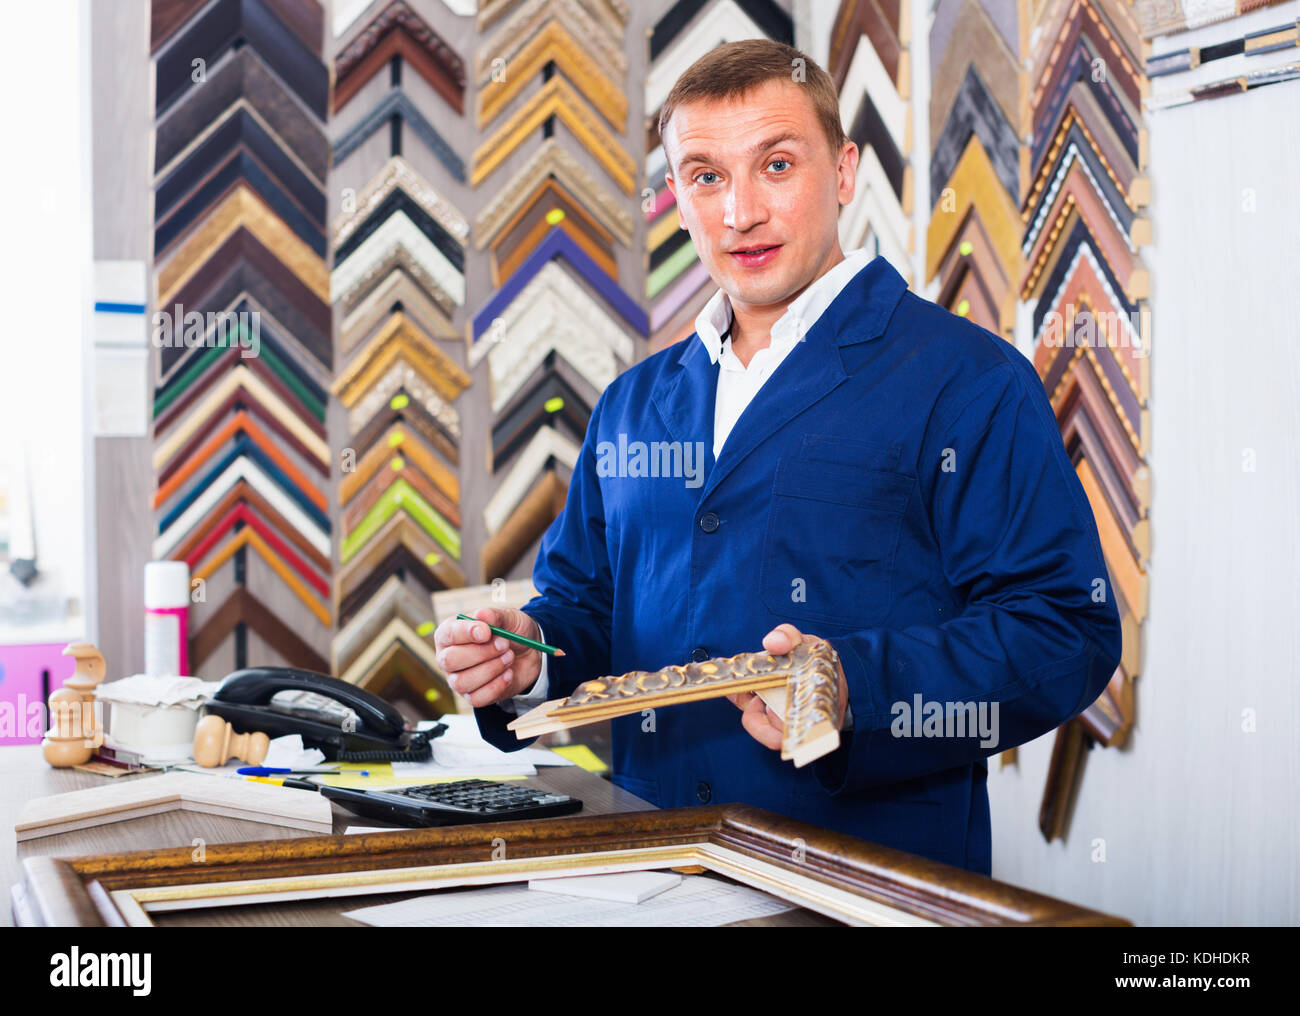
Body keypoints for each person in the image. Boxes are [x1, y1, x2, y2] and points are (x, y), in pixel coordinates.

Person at [433, 39, 1121, 874]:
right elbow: (589, 605)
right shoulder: (633, 404)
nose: (739, 213)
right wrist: (528, 655)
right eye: (706, 175)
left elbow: (1065, 628)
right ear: (676, 196)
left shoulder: (968, 382)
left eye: (778, 165)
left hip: (862, 885)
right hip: (647, 876)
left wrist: (848, 685)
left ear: (842, 171)